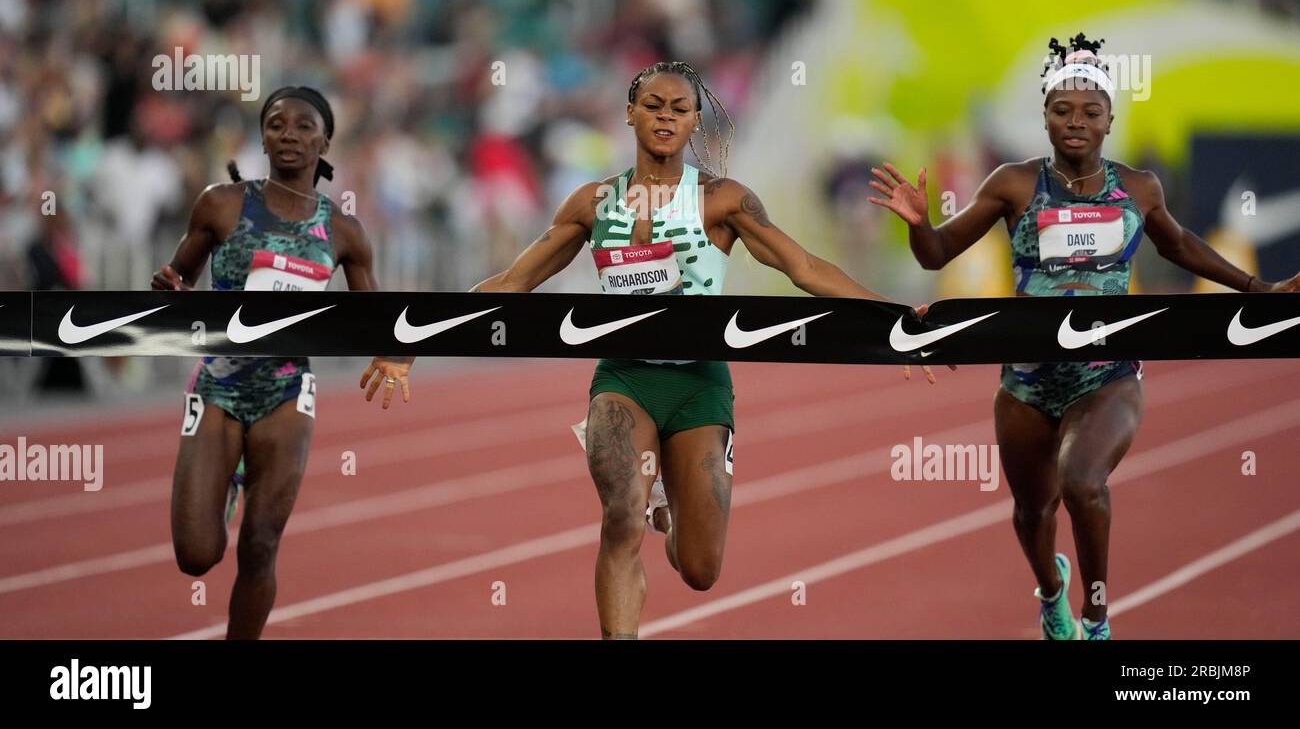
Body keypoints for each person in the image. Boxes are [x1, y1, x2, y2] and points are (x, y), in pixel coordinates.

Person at [464, 60, 937, 639]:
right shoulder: (593, 204)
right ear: (630, 113)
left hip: (699, 386)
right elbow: (513, 282)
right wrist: (404, 339)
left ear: (694, 123)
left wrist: (895, 320)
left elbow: (804, 267)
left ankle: (667, 509)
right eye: (654, 106)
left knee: (701, 569)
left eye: (679, 109)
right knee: (620, 519)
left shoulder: (723, 201)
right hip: (625, 380)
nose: (665, 117)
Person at [869, 34, 1300, 639]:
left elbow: (1179, 245)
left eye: (1090, 112)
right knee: (1031, 511)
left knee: (1082, 484)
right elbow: (936, 255)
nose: (1075, 123)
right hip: (1026, 381)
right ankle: (1052, 592)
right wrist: (920, 225)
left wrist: (1257, 288)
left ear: (1109, 120)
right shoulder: (1013, 184)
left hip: (1109, 374)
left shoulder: (1139, 187)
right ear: (1045, 116)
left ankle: (1097, 619)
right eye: (1062, 111)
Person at [154, 85, 413, 639]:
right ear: (263, 136)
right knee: (196, 556)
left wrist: (399, 350)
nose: (289, 135)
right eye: (276, 124)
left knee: (261, 543)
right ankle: (225, 482)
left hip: (287, 390)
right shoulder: (221, 203)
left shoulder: (343, 232)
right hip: (218, 384)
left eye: (303, 126)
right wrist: (170, 286)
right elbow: (179, 279)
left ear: (325, 141)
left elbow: (378, 316)